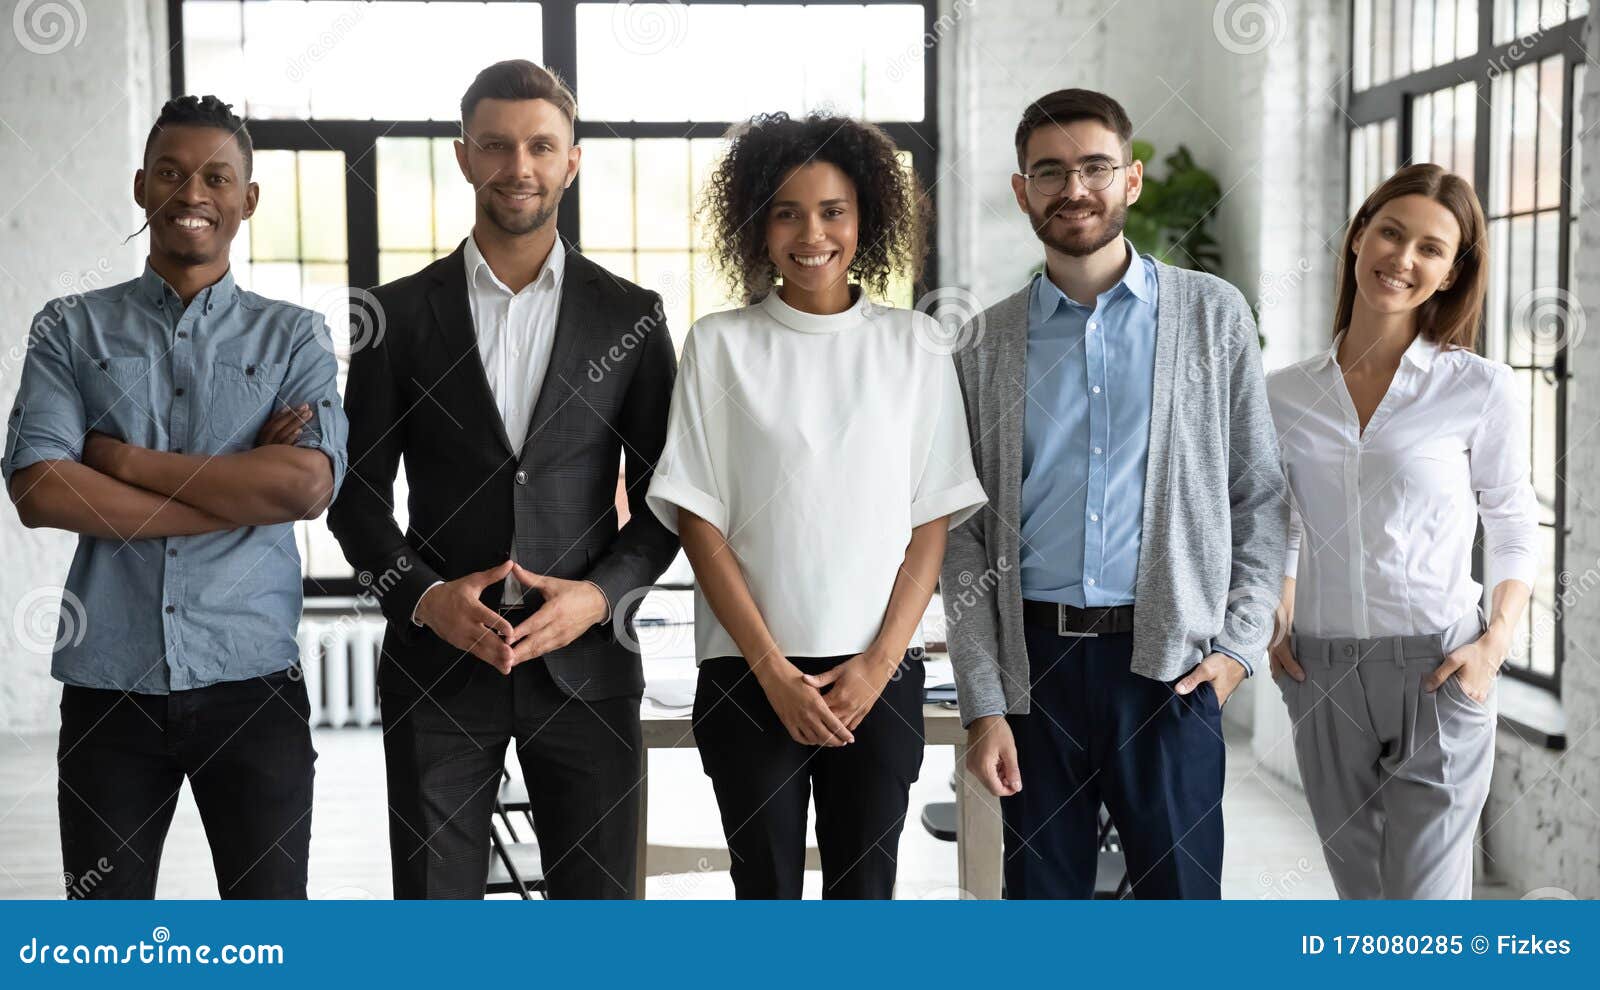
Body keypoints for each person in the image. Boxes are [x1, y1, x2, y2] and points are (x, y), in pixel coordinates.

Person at [326, 60, 678, 899]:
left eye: (540, 146)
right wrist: (424, 598)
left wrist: (598, 599)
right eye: (496, 145)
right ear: (463, 156)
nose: (519, 166)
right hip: (437, 669)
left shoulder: (631, 315)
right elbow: (355, 498)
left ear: (572, 161)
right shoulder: (396, 315)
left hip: (587, 667)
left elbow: (668, 497)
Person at [943, 89, 1287, 899]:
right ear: (1022, 190)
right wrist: (984, 703)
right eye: (1050, 171)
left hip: (1170, 669)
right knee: (1042, 916)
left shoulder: (1213, 315)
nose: (1075, 189)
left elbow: (1260, 496)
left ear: (1130, 180)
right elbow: (962, 535)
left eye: (1095, 167)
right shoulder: (984, 343)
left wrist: (1237, 651)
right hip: (1035, 673)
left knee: (1180, 911)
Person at [2, 95, 347, 899]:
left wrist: (118, 459)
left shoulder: (295, 336)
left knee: (272, 938)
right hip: (109, 687)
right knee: (108, 937)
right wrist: (237, 493)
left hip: (253, 685)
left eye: (216, 177)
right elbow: (40, 487)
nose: (193, 192)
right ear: (141, 185)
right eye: (171, 172)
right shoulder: (70, 328)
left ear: (247, 199)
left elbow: (305, 485)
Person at [646, 111, 986, 899]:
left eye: (833, 211)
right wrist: (771, 671)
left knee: (863, 896)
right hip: (746, 673)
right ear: (756, 225)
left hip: (878, 672)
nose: (812, 235)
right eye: (787, 213)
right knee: (765, 894)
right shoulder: (719, 344)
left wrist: (878, 666)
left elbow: (929, 524)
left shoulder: (915, 345)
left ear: (865, 218)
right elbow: (699, 522)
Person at [1265, 163, 1535, 899]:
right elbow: (1282, 521)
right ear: (1359, 236)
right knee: (1363, 902)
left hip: (1440, 668)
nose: (1403, 259)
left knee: (1424, 910)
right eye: (1391, 232)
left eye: (1431, 249)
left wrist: (1493, 646)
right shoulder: (1284, 394)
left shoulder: (1479, 387)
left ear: (1451, 274)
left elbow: (1513, 523)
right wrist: (1278, 616)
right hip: (1320, 671)